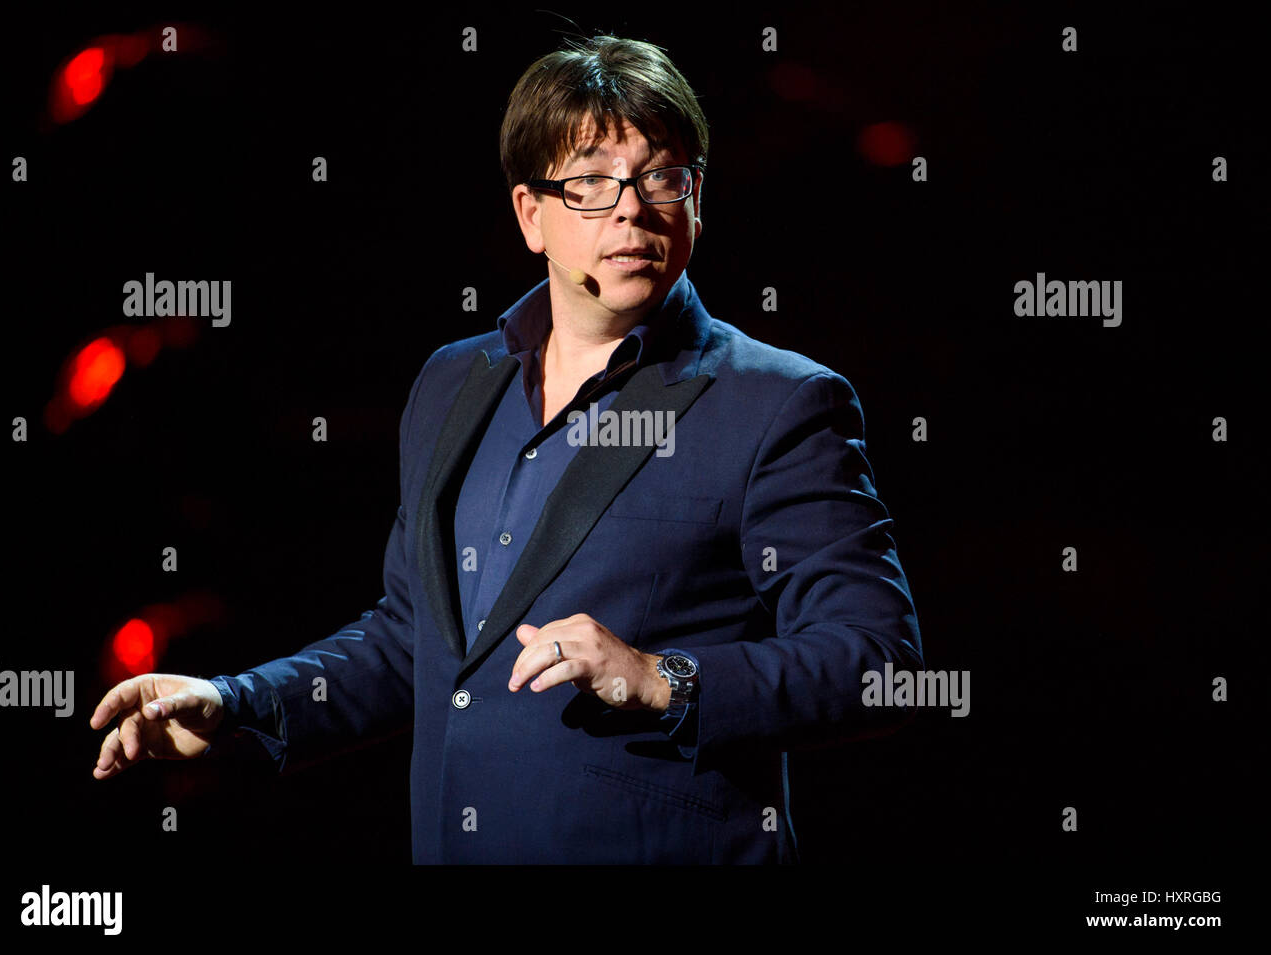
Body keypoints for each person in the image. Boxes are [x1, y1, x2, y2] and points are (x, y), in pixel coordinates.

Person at [90, 34, 924, 864]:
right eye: (593, 182)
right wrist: (236, 702)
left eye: (662, 176)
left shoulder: (777, 401)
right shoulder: (455, 382)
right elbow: (412, 639)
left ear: (696, 199)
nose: (631, 208)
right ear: (532, 214)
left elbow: (878, 658)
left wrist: (662, 678)